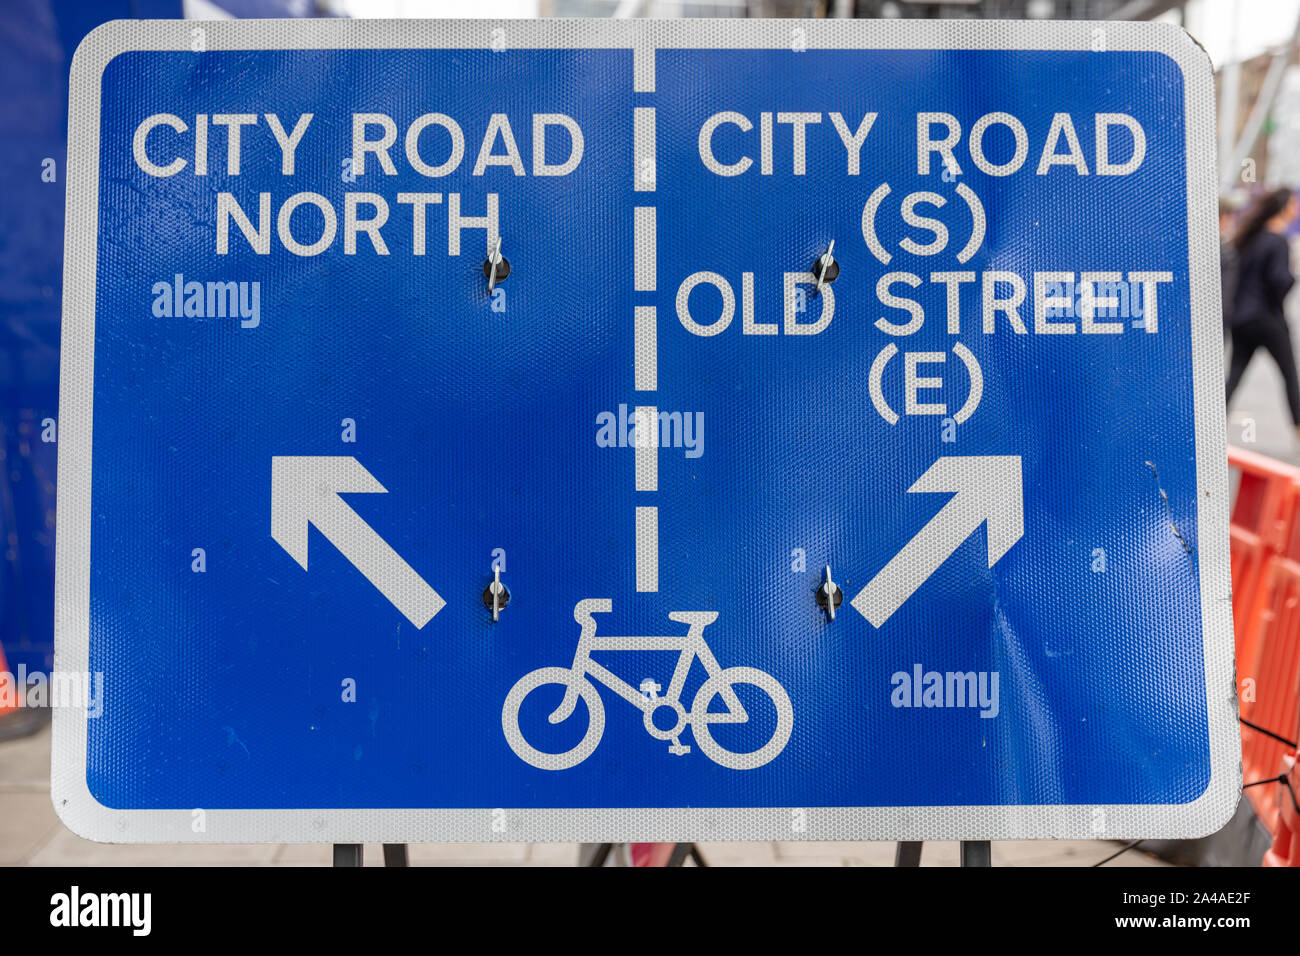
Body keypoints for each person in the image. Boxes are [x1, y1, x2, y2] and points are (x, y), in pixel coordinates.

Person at [1225, 187, 1300, 433]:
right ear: (1284, 208)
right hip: (1267, 319)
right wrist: (1293, 277)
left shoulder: (1250, 237)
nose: (1295, 209)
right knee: (1289, 375)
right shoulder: (1278, 241)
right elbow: (1279, 280)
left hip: (1242, 319)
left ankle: (1211, 422)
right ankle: (1299, 427)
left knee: (1235, 374)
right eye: (1293, 204)